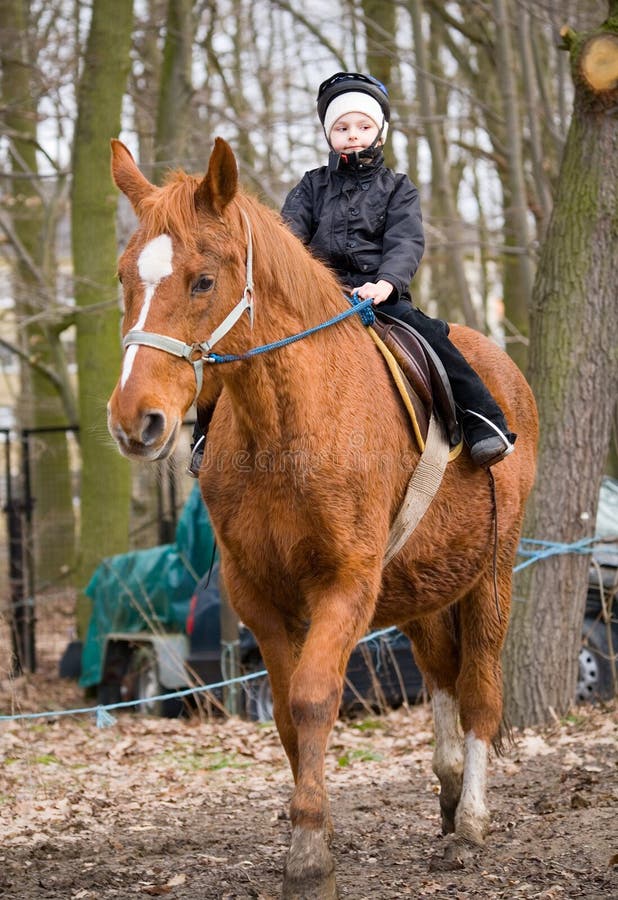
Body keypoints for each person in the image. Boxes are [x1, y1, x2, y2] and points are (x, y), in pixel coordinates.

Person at [188, 72, 515, 477]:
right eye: (342, 128)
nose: (353, 135)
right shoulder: (311, 187)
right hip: (316, 300)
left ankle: (481, 419)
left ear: (380, 134)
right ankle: (206, 436)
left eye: (363, 126)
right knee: (240, 345)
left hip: (379, 297)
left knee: (433, 339)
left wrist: (386, 283)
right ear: (329, 135)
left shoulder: (398, 188)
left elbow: (406, 242)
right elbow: (287, 240)